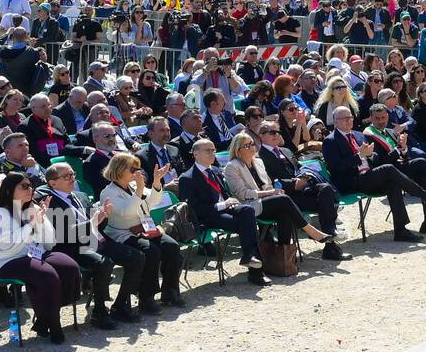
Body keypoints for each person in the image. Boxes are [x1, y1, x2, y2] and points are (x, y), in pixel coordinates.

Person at [38, 161, 143, 330]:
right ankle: (99, 312)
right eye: (67, 176)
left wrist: (103, 217)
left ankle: (120, 305)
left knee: (137, 257)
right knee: (103, 263)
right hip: (72, 246)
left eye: (73, 174)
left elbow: (96, 226)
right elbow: (63, 235)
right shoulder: (50, 202)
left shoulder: (80, 196)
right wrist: (93, 222)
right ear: (52, 183)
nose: (72, 178)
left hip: (94, 240)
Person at [322, 106, 426, 242]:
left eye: (350, 118)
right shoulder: (330, 141)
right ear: (335, 122)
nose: (348, 121)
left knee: (392, 184)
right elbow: (336, 167)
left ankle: (401, 230)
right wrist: (359, 156)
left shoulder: (358, 135)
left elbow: (375, 158)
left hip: (368, 176)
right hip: (350, 181)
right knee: (388, 168)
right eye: (344, 119)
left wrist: (371, 154)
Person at [0, 171, 81, 344]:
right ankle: (54, 326)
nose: (30, 189)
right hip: (8, 260)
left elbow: (50, 242)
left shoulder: (32, 208)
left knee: (70, 268)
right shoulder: (0, 213)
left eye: (30, 186)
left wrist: (42, 220)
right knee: (47, 276)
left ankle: (44, 319)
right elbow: (6, 245)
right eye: (24, 186)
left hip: (35, 254)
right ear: (9, 190)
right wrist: (31, 224)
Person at [177, 140, 272, 285]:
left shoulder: (215, 170)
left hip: (226, 209)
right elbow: (194, 209)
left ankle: (250, 258)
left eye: (213, 150)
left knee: (247, 211)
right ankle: (255, 271)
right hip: (208, 217)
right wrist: (223, 205)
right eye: (207, 150)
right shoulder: (187, 178)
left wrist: (231, 201)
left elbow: (225, 194)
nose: (212, 153)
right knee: (246, 224)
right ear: (195, 154)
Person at [99, 154, 186, 312]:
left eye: (137, 168)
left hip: (144, 228)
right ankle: (146, 297)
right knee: (151, 251)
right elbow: (127, 212)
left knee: (172, 247)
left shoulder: (133, 185)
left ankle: (170, 291)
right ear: (119, 170)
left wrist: (157, 182)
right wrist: (139, 190)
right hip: (124, 233)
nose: (136, 172)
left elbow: (154, 201)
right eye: (132, 169)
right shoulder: (108, 192)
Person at [221, 133, 335, 249]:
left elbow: (268, 184)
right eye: (246, 146)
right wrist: (270, 193)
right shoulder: (232, 167)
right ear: (238, 150)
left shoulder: (258, 162)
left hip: (267, 201)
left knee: (284, 211)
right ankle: (311, 231)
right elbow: (243, 194)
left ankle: (283, 252)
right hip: (250, 205)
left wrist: (274, 191)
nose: (251, 147)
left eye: (252, 144)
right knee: (284, 200)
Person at [258, 121, 349, 260]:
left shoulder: (285, 151)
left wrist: (306, 178)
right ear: (261, 135)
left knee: (325, 189)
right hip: (284, 197)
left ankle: (330, 238)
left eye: (278, 132)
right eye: (272, 132)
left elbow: (299, 169)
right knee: (319, 203)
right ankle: (327, 243)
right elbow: (266, 182)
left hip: (302, 191)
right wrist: (293, 184)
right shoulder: (259, 156)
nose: (277, 135)